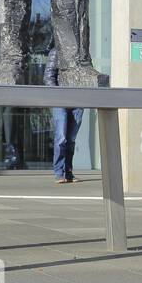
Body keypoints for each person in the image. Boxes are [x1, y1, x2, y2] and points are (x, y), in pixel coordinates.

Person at [45, 45, 83, 184]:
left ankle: (69, 172)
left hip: (77, 101)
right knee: (61, 137)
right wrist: (57, 96)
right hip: (60, 101)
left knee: (71, 139)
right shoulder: (56, 52)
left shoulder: (80, 52)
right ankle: (59, 172)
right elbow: (49, 77)